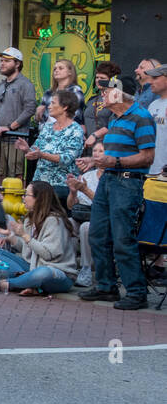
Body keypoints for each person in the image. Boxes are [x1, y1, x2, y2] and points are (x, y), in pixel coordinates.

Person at [76, 85, 156, 310]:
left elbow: (147, 157)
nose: (102, 95)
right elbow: (113, 154)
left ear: (119, 95)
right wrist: (94, 162)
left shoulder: (141, 117)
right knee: (98, 234)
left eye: (106, 91)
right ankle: (106, 286)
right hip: (110, 179)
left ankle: (136, 292)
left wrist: (116, 163)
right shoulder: (115, 118)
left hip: (127, 181)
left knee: (122, 238)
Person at [0, 181, 79, 296]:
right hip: (32, 267)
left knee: (42, 273)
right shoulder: (29, 219)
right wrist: (11, 237)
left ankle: (8, 284)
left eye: (26, 194)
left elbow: (48, 254)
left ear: (38, 199)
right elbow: (26, 249)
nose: (23, 197)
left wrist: (24, 235)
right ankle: (28, 283)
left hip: (58, 274)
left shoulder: (55, 221)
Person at [14, 88, 84, 204]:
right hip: (39, 182)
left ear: (65, 107)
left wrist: (41, 154)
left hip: (60, 185)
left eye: (53, 103)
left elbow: (66, 159)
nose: (49, 106)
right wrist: (27, 149)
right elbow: (36, 150)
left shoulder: (76, 130)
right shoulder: (47, 127)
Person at [65, 140, 105, 289]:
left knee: (86, 227)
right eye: (95, 151)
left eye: (101, 151)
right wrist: (73, 191)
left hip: (102, 218)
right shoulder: (88, 175)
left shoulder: (111, 178)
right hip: (83, 213)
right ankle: (68, 266)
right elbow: (71, 205)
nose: (97, 154)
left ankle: (86, 269)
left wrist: (85, 190)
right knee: (67, 222)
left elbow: (104, 205)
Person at [0, 47, 38, 136]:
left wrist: (10, 127)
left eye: (7, 61)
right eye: (1, 61)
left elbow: (30, 109)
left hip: (16, 139)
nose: (2, 63)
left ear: (17, 64)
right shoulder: (0, 85)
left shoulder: (26, 84)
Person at [83, 62, 123, 148]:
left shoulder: (116, 99)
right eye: (97, 77)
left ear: (111, 80)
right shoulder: (91, 99)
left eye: (102, 78)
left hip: (107, 146)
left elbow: (116, 123)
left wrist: (95, 135)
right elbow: (84, 121)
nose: (98, 80)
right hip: (89, 147)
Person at [37, 57, 85, 127]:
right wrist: (38, 114)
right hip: (46, 133)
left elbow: (76, 116)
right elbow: (41, 119)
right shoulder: (48, 93)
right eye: (55, 69)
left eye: (61, 68)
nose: (56, 70)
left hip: (66, 133)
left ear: (70, 72)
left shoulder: (75, 91)